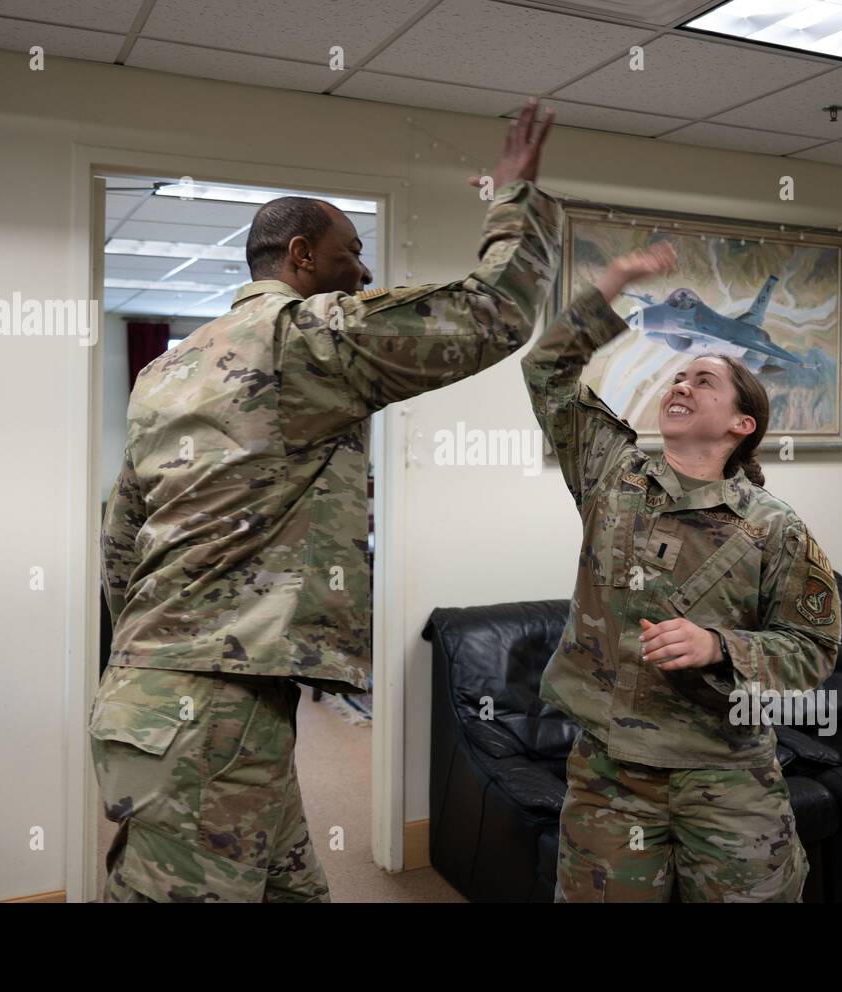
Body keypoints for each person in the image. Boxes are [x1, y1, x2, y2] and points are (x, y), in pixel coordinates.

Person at [92, 100, 558, 902]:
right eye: (353, 254)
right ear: (302, 257)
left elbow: (120, 536)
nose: (366, 273)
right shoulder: (301, 338)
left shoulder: (166, 370)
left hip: (188, 698)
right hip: (207, 713)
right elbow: (493, 312)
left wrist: (157, 640)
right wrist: (514, 196)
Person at [522, 241, 842, 902]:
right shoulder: (611, 476)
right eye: (677, 377)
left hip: (727, 772)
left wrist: (719, 646)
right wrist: (613, 280)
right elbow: (548, 369)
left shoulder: (776, 528)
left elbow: (812, 651)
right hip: (611, 771)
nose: (680, 384)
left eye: (704, 381)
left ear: (740, 423)